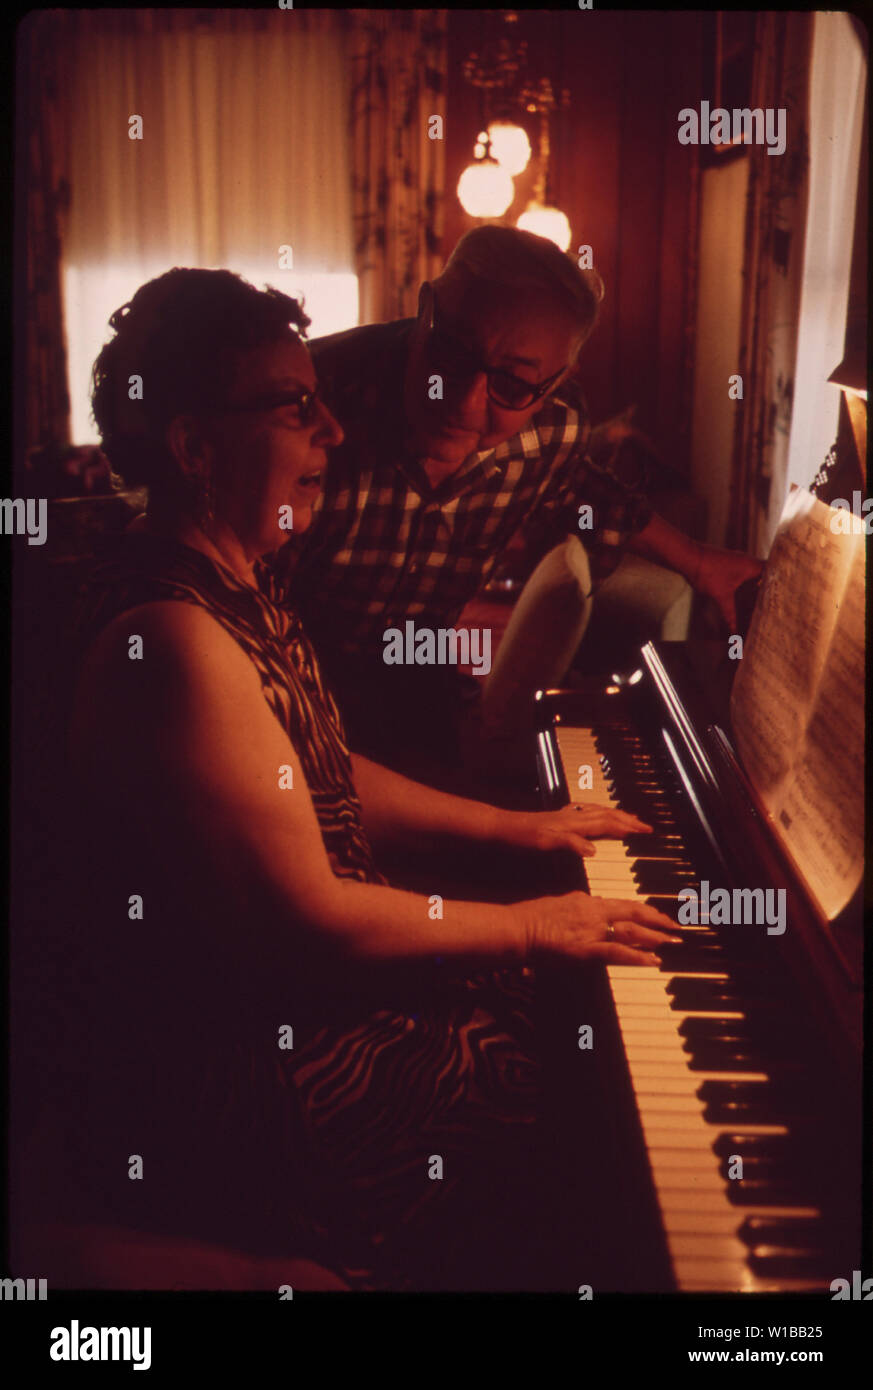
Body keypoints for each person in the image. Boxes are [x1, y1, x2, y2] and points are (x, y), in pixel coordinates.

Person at [47, 268, 679, 1292]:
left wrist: (518, 833)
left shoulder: (229, 584)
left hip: (308, 1000)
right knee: (576, 1113)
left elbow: (323, 773)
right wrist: (530, 924)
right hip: (266, 1060)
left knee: (574, 1032)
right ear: (195, 447)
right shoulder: (173, 636)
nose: (333, 432)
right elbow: (308, 921)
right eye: (297, 408)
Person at [274, 226, 763, 791]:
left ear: (555, 386)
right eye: (452, 355)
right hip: (277, 675)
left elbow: (593, 495)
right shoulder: (314, 395)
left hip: (411, 677)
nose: (462, 402)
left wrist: (700, 562)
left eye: (511, 384)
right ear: (425, 306)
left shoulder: (554, 433)